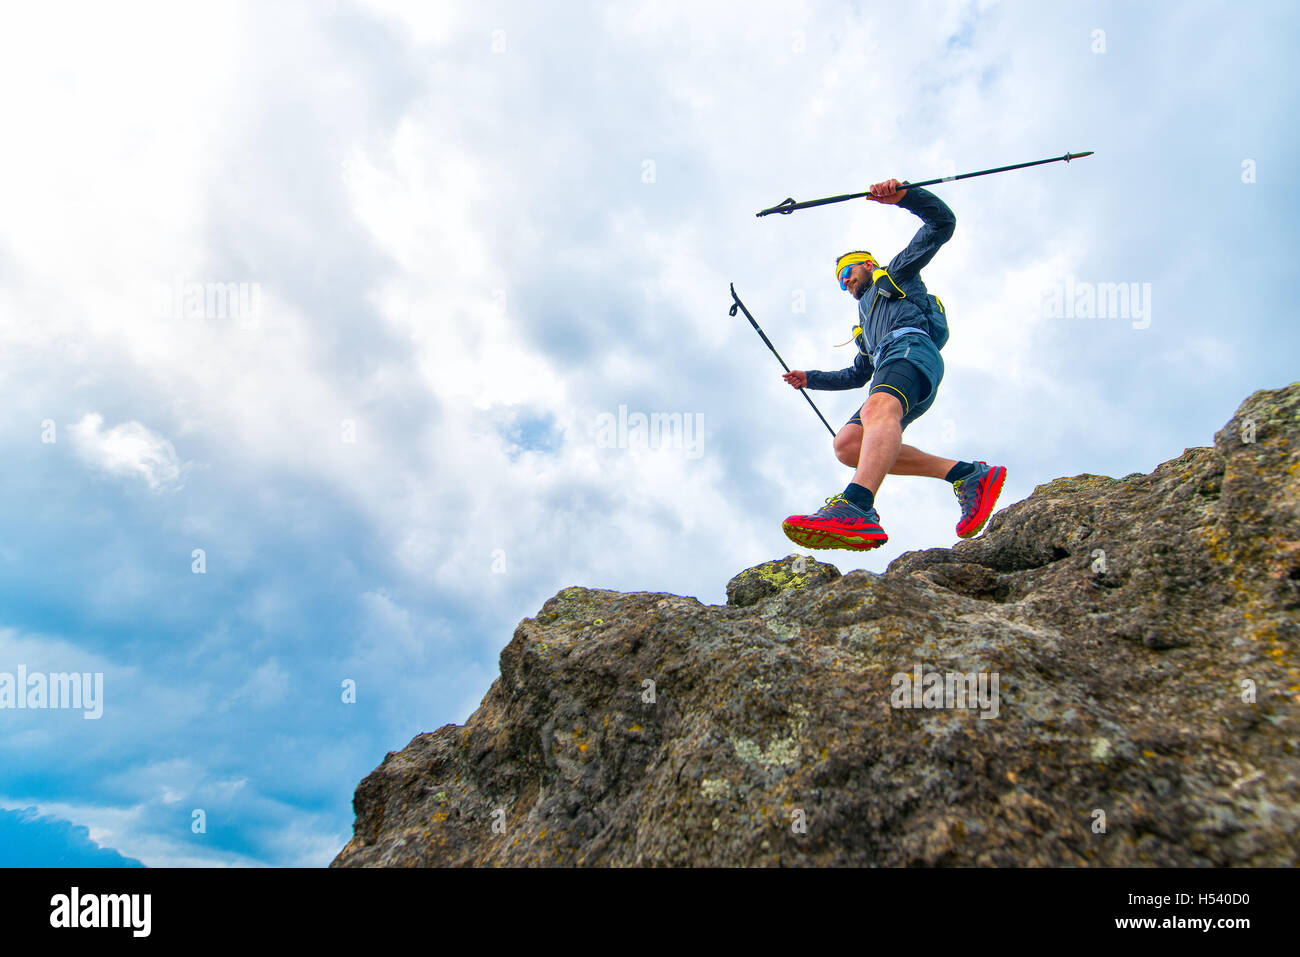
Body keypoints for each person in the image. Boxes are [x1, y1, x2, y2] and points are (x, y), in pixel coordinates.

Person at [780, 178, 1006, 551]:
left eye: (848, 273)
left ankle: (856, 507)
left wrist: (906, 197)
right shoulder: (865, 327)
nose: (846, 282)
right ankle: (968, 475)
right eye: (840, 282)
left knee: (878, 407)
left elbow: (941, 225)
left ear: (868, 265)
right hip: (891, 361)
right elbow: (858, 372)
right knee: (848, 445)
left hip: (911, 348)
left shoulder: (895, 275)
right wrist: (811, 378)